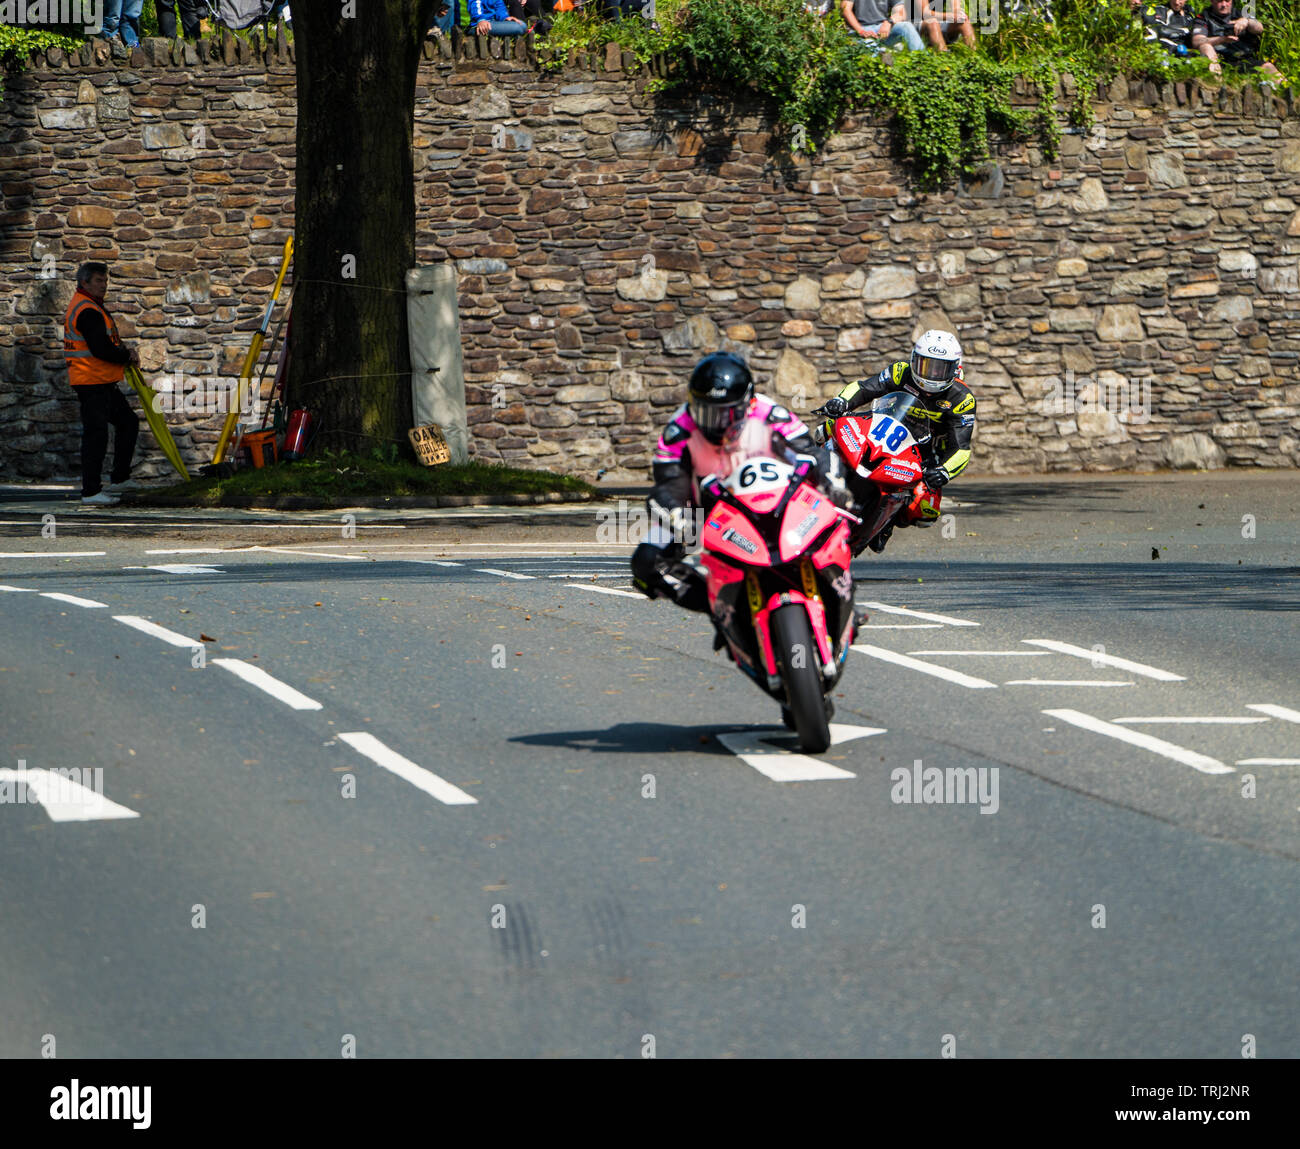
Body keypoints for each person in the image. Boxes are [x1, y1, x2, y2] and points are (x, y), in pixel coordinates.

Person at [631, 351, 844, 613]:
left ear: (748, 403)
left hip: (774, 500)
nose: (717, 424)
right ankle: (724, 608)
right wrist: (679, 517)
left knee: (837, 524)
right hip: (709, 513)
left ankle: (839, 598)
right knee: (646, 563)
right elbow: (667, 486)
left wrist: (833, 483)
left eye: (727, 413)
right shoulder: (679, 429)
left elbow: (812, 454)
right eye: (706, 413)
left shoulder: (770, 413)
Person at [813, 330, 974, 555]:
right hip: (885, 425)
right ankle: (811, 475)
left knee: (924, 510)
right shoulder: (900, 371)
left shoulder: (962, 399)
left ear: (954, 369)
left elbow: (961, 448)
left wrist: (944, 471)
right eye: (926, 365)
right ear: (914, 359)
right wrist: (842, 401)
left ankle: (889, 521)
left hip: (925, 449)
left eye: (939, 369)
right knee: (828, 428)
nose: (931, 374)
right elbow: (864, 388)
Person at [63, 263, 141, 506]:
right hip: (91, 380)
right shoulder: (87, 309)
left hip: (100, 380)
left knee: (127, 422)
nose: (104, 285)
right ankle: (91, 491)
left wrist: (123, 353)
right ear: (84, 282)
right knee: (96, 435)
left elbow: (105, 343)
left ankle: (119, 478)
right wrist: (126, 356)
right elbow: (101, 349)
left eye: (105, 280)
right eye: (98, 280)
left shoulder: (89, 305)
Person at [1191, 0, 1284, 80]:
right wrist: (1221, 39)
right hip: (1219, 60)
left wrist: (1247, 21)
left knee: (1269, 67)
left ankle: (1286, 88)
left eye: (1227, 1)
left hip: (1243, 60)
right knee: (1205, 46)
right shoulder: (1203, 18)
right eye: (1219, 1)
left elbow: (1259, 29)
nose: (1224, 4)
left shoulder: (1240, 14)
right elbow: (1197, 41)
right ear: (1212, 1)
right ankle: (1216, 82)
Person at [841, 0, 925, 52]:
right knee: (869, 45)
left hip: (882, 28)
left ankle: (920, 60)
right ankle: (882, 57)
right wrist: (861, 31)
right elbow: (845, 9)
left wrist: (888, 22)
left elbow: (902, 12)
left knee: (906, 26)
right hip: (860, 30)